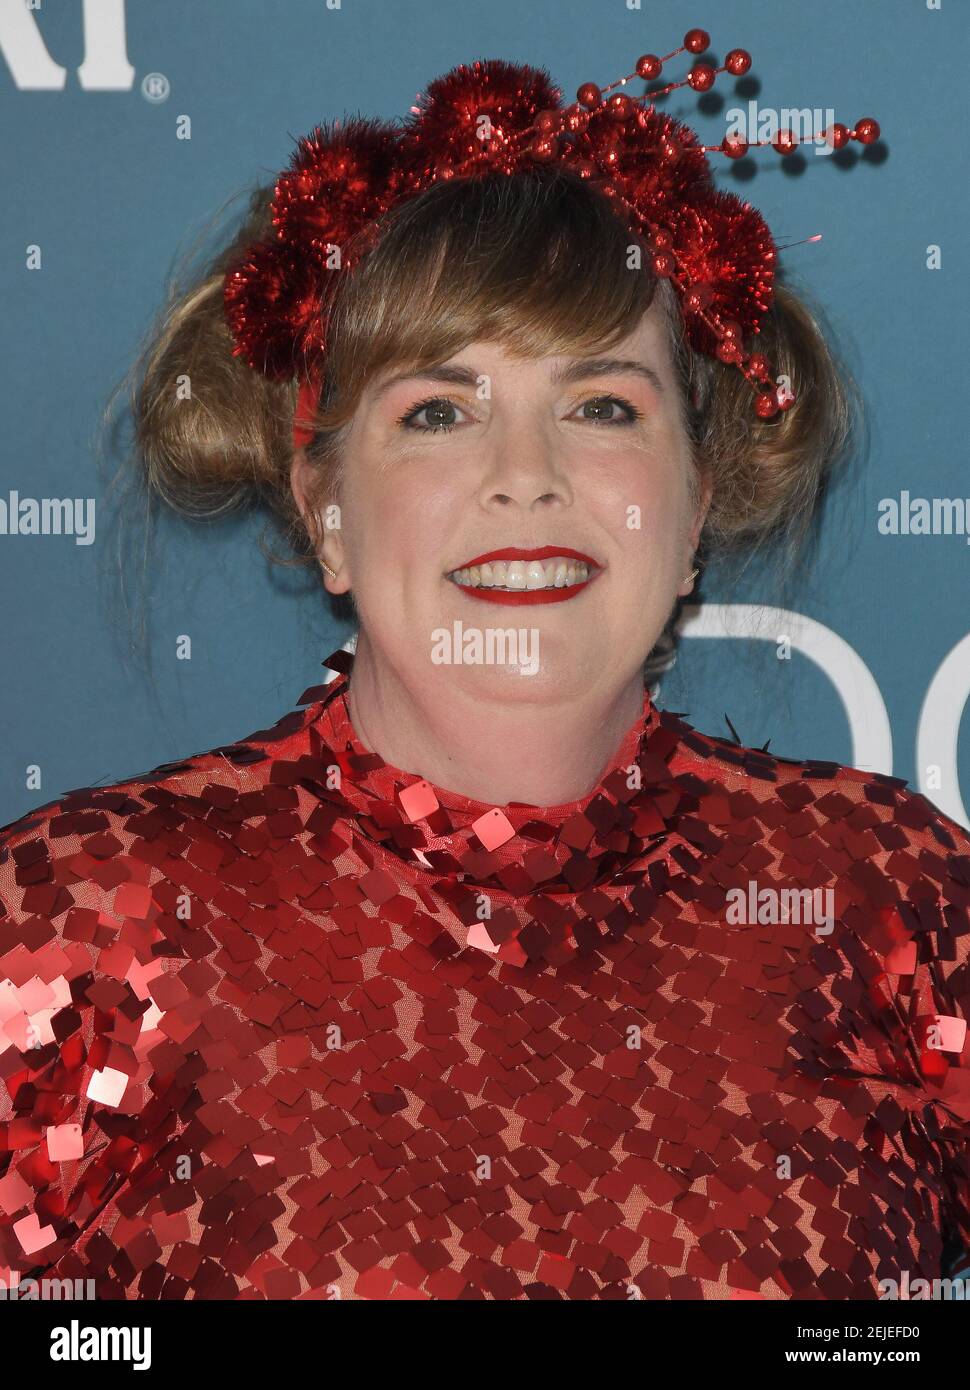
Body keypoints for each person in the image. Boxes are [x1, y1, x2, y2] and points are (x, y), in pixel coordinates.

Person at [1, 39, 968, 1303]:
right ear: (326, 509)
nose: (526, 476)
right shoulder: (81, 921)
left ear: (695, 505)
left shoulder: (893, 902)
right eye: (439, 412)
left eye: (602, 405)